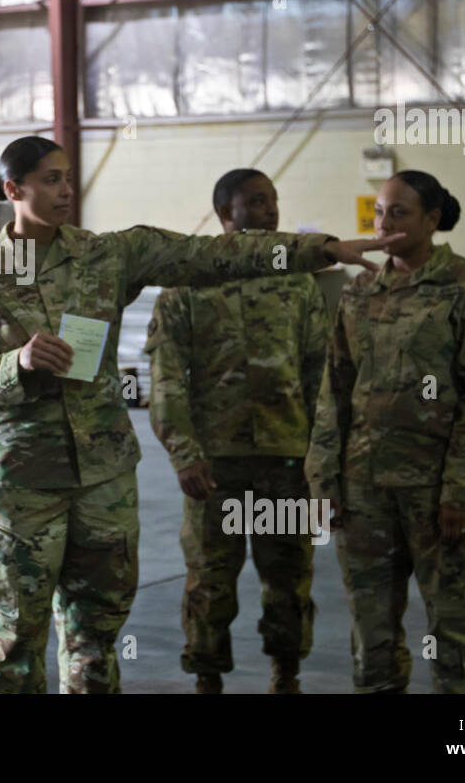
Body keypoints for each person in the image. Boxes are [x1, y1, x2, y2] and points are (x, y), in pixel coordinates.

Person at [0, 136, 400, 694]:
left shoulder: (107, 254)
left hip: (104, 480)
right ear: (13, 190)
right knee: (15, 633)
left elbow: (212, 256)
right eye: (50, 180)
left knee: (96, 633)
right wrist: (15, 364)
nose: (66, 189)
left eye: (68, 177)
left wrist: (321, 249)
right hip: (23, 482)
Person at [305, 170, 465, 694]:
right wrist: (324, 482)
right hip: (364, 489)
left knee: (453, 633)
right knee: (371, 632)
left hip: (437, 491)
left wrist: (462, 490)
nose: (384, 223)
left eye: (398, 212)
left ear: (432, 220)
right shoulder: (361, 290)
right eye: (378, 212)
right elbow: (335, 391)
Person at [145, 169, 329, 694]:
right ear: (226, 213)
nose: (270, 212)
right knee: (210, 582)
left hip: (287, 461)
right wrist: (183, 453)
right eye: (256, 202)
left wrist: (322, 457)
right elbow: (166, 378)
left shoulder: (297, 281)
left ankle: (286, 674)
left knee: (290, 578)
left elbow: (320, 372)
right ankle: (207, 678)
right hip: (215, 465)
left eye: (272, 201)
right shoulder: (188, 285)